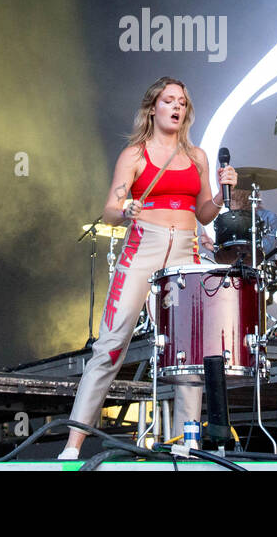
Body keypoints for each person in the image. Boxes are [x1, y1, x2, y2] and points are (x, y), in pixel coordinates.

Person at [60, 77, 236, 459]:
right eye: (169, 100)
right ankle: (73, 444)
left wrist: (222, 194)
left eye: (183, 103)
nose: (177, 107)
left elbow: (204, 210)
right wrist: (125, 209)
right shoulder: (135, 155)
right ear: (153, 107)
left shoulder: (198, 156)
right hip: (143, 246)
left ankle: (187, 445)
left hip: (185, 251)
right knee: (110, 346)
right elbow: (110, 208)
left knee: (187, 352)